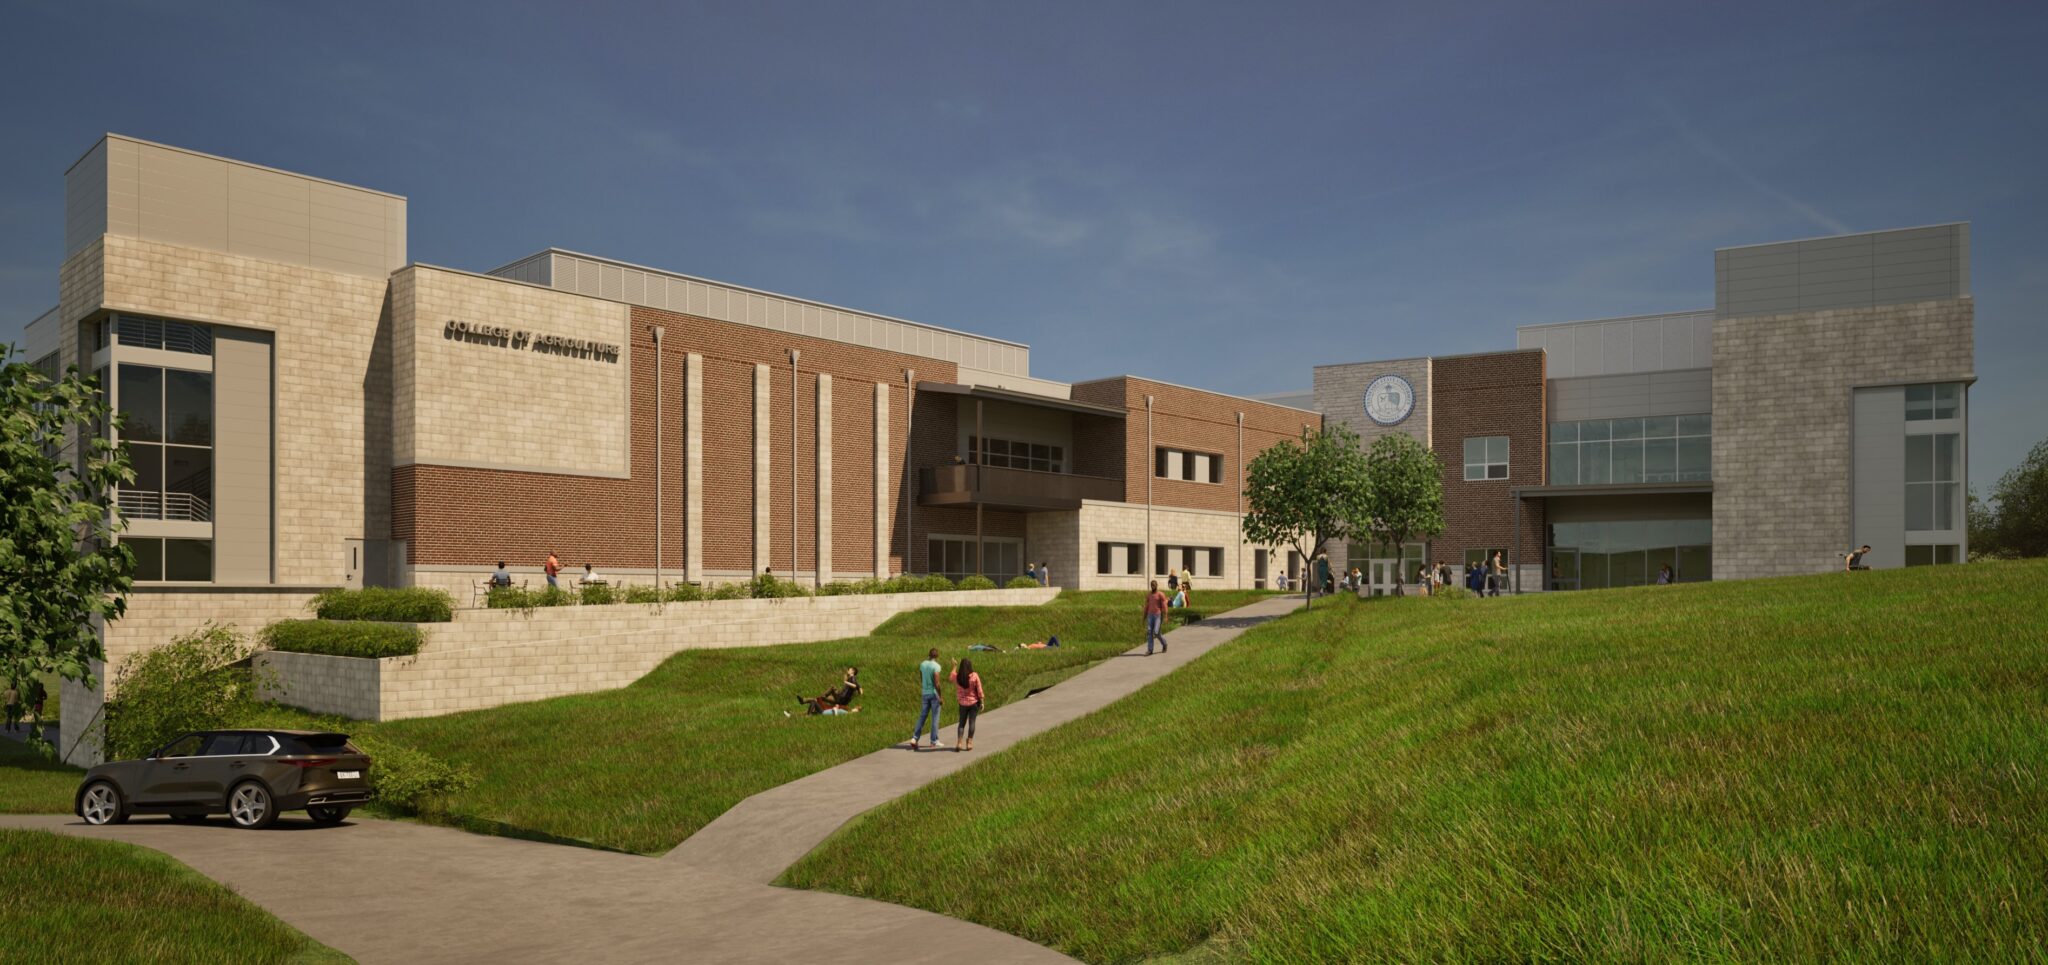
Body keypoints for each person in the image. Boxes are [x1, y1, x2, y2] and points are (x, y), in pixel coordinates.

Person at [907, 648, 946, 749]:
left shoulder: (922, 664)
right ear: (937, 656)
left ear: (929, 655)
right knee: (935, 717)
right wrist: (940, 696)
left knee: (922, 716)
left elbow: (921, 677)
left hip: (924, 693)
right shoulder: (936, 666)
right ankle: (934, 741)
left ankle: (914, 738)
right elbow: (937, 683)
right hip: (934, 694)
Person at [950, 658, 984, 751]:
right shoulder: (974, 676)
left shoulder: (958, 677)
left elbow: (951, 676)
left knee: (961, 723)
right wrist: (982, 701)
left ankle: (959, 743)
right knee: (972, 723)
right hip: (974, 703)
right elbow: (979, 689)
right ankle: (969, 743)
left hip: (962, 703)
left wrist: (954, 666)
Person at [1143, 580, 1170, 656]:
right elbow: (1147, 606)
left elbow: (1164, 606)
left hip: (1157, 615)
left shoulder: (1160, 594)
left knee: (1156, 632)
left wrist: (1165, 616)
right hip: (1150, 615)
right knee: (1149, 632)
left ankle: (1164, 644)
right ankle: (1150, 650)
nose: (1152, 586)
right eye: (1151, 585)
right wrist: (1144, 616)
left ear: (1157, 585)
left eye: (1154, 585)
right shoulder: (1149, 595)